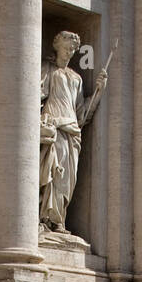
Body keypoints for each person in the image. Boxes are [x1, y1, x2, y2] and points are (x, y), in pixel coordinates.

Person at [38, 30, 107, 232]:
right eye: (66, 48)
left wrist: (99, 91)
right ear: (57, 47)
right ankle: (46, 218)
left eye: (72, 50)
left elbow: (82, 114)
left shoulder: (76, 78)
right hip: (55, 125)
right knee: (53, 173)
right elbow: (36, 95)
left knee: (68, 178)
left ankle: (59, 219)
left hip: (72, 130)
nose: (69, 53)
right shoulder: (48, 70)